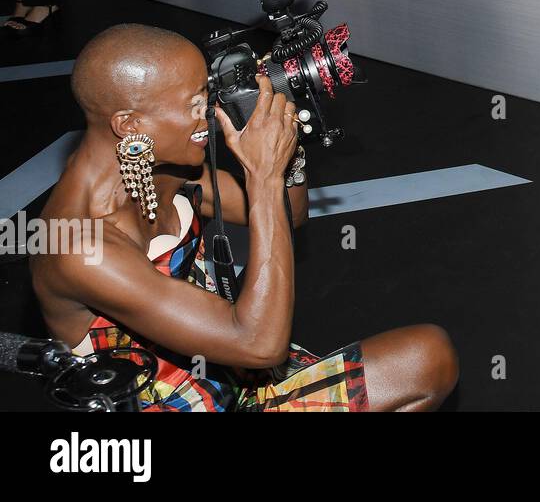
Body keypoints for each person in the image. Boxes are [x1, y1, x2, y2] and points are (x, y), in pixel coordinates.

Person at [30, 23, 459, 411]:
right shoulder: (79, 246)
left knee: (427, 357)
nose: (210, 112)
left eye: (208, 91)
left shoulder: (157, 163)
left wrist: (285, 152)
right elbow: (259, 345)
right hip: (199, 385)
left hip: (237, 378)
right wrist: (264, 175)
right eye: (194, 103)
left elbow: (289, 215)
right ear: (129, 124)